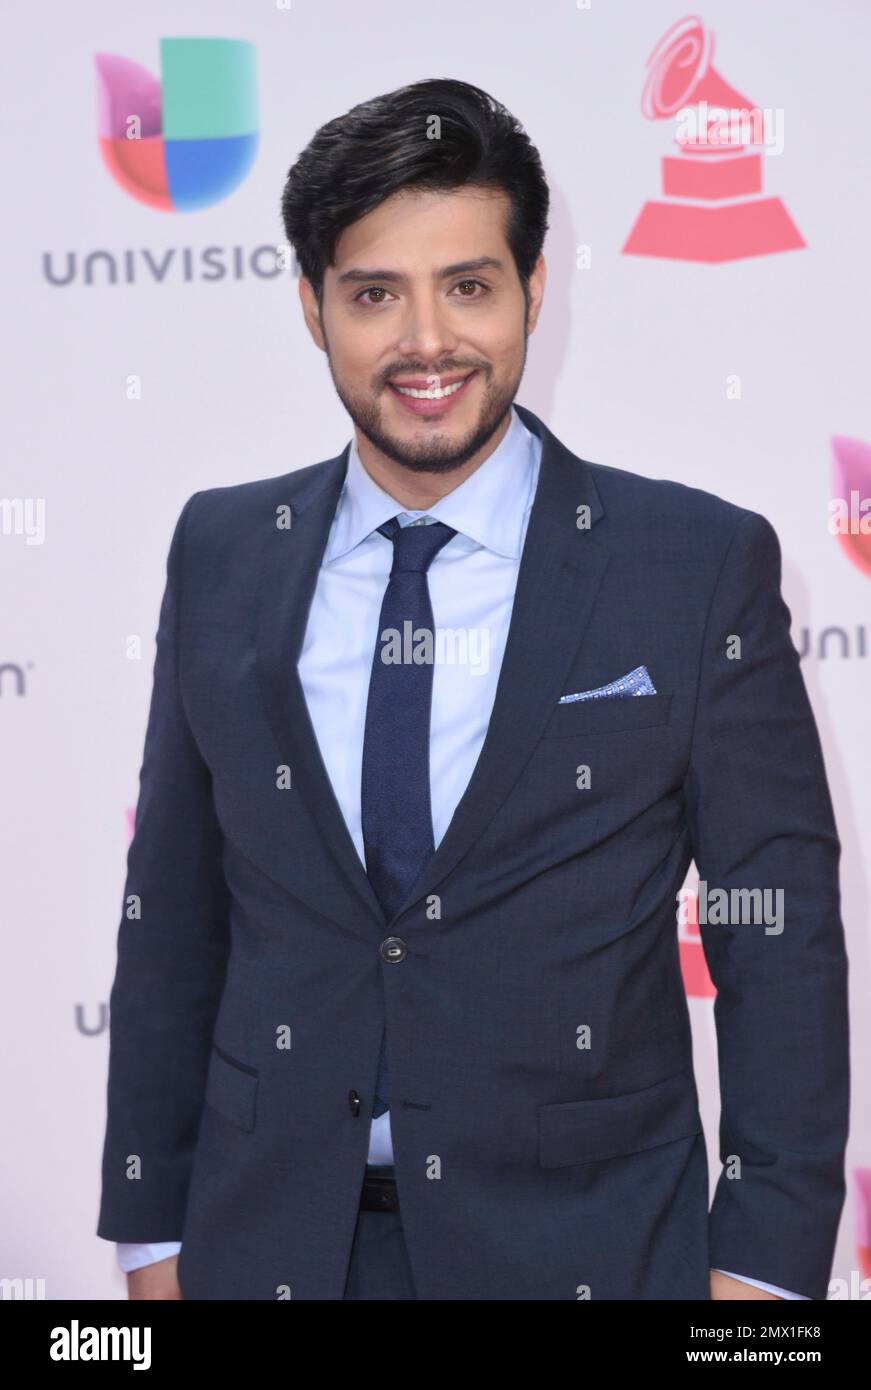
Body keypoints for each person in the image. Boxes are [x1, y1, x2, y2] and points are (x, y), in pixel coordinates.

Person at [96, 78, 849, 1300]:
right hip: (263, 1246)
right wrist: (151, 1234)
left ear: (533, 290)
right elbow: (173, 915)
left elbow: (781, 937)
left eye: (468, 285)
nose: (426, 342)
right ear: (311, 307)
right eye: (374, 293)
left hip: (590, 1252)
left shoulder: (693, 565)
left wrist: (761, 1285)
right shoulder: (223, 551)